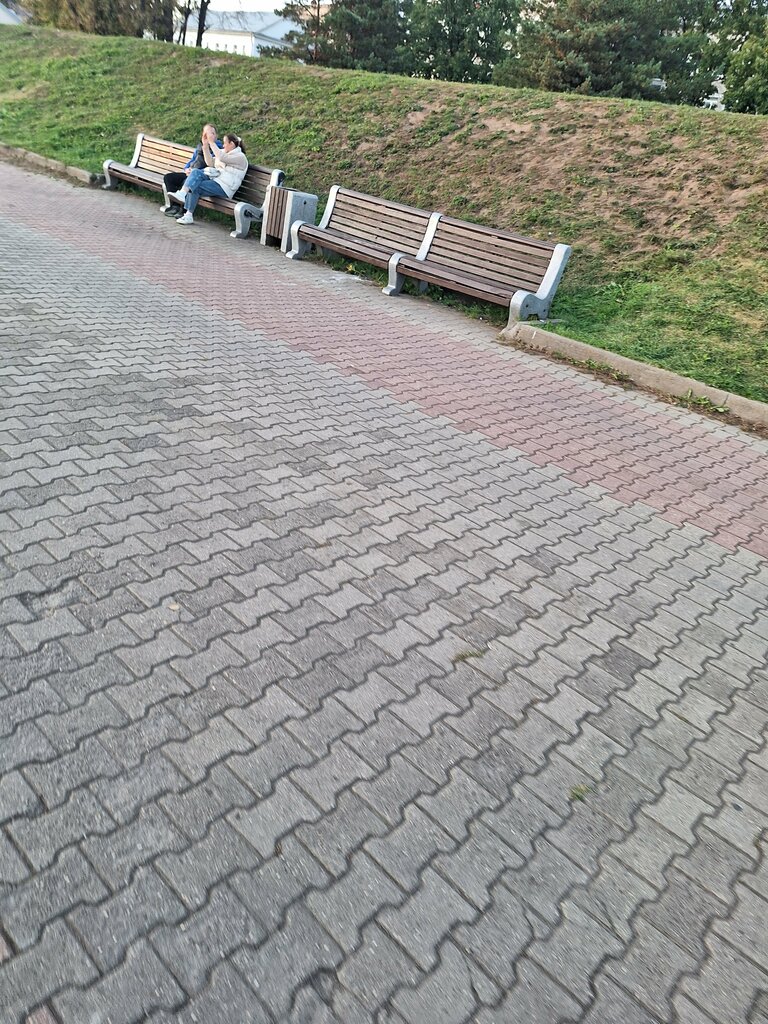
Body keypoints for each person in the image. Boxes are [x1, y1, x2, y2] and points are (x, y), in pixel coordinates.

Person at [168, 131, 248, 226]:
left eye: (225, 143)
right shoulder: (223, 152)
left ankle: (188, 214)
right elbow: (210, 162)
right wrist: (205, 146)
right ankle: (183, 195)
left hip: (226, 188)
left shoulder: (240, 157)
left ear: (231, 144)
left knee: (195, 186)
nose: (223, 145)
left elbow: (222, 158)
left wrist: (212, 143)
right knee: (195, 172)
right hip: (216, 181)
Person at [160, 124, 223, 217]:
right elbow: (192, 160)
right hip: (190, 172)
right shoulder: (199, 146)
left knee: (188, 182)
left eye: (212, 133)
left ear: (216, 136)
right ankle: (175, 206)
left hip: (202, 176)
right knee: (169, 178)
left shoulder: (218, 149)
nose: (209, 136)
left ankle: (184, 210)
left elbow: (212, 166)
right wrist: (187, 169)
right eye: (207, 133)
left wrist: (194, 171)